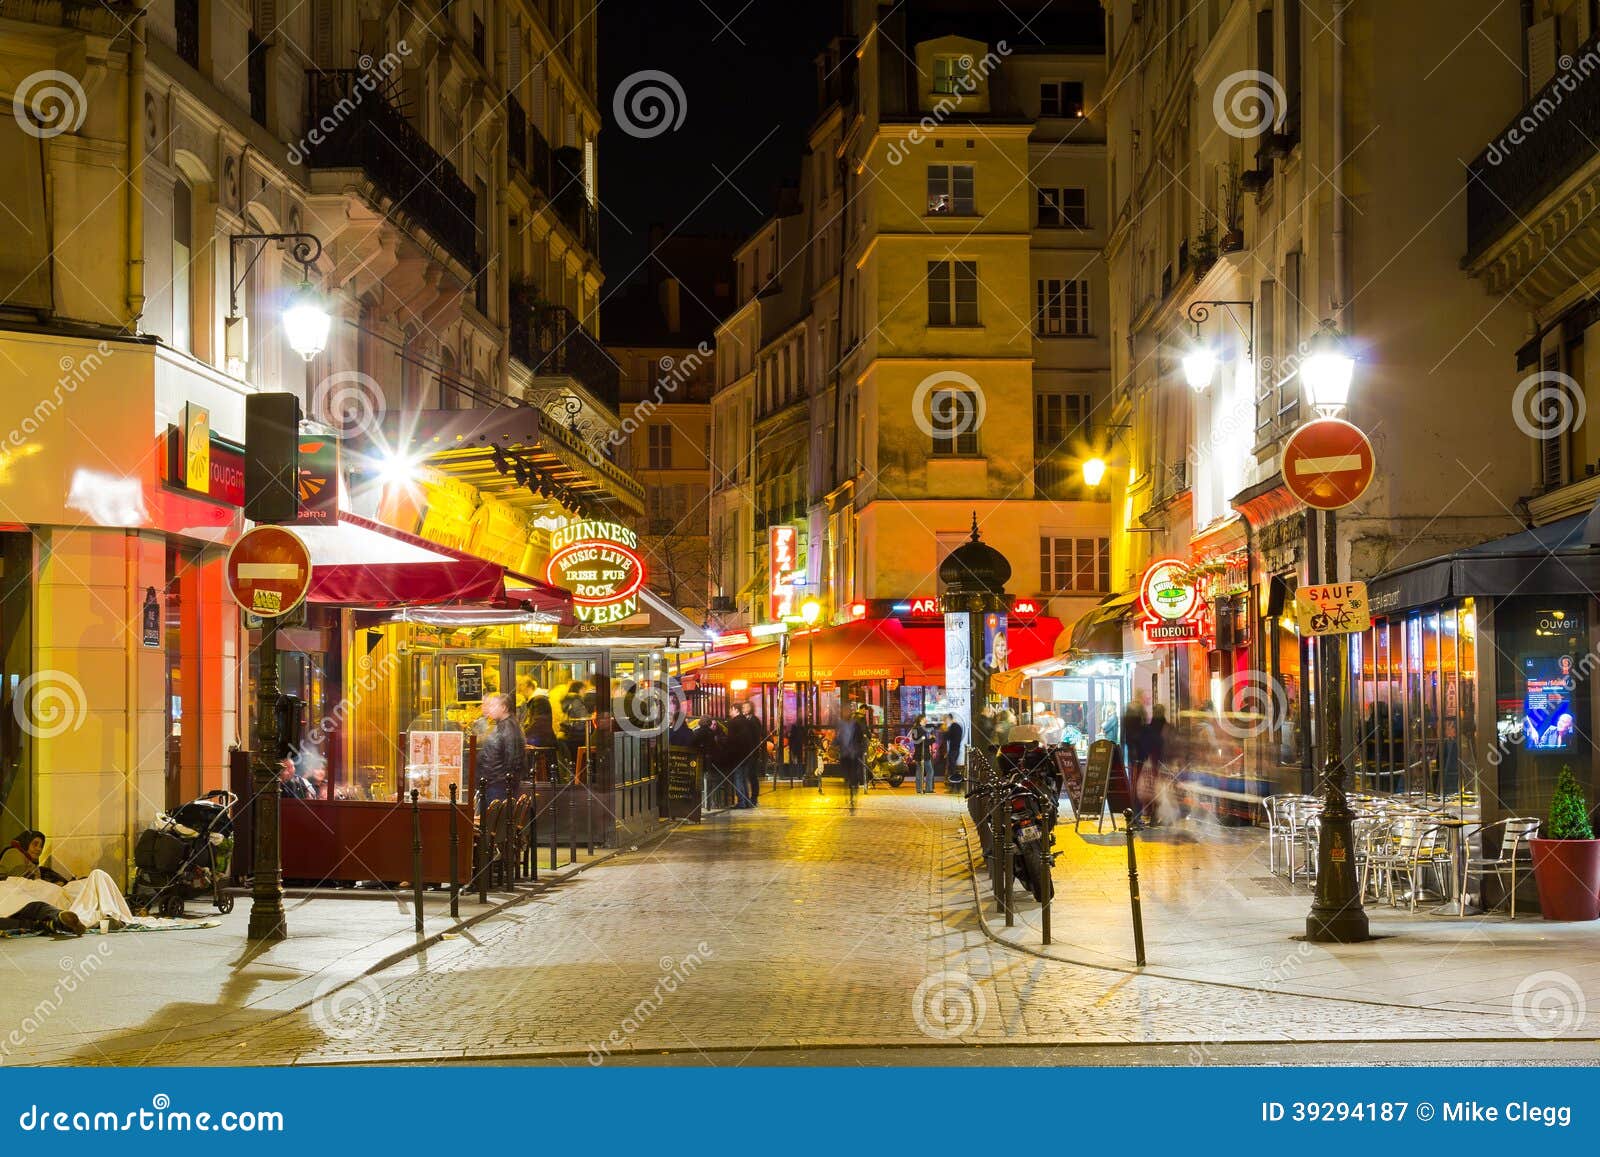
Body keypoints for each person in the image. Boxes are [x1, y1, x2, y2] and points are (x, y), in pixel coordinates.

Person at [0, 831, 132, 931]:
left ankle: (106, 914)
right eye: (35, 844)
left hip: (55, 893)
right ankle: (99, 916)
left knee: (97, 876)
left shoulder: (32, 863)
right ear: (25, 843)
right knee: (90, 883)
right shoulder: (14, 853)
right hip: (47, 895)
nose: (39, 849)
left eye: (41, 846)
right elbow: (19, 878)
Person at [478, 692, 527, 803]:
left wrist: (504, 781)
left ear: (504, 707)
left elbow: (513, 760)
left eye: (493, 705)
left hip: (499, 786)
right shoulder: (504, 725)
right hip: (495, 784)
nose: (490, 708)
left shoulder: (508, 728)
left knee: (494, 819)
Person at [912, 715, 938, 794]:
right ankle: (928, 789)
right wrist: (933, 739)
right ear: (920, 721)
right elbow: (925, 743)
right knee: (930, 771)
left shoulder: (914, 729)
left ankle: (919, 789)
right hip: (924, 754)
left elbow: (917, 742)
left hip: (918, 753)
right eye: (924, 720)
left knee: (919, 771)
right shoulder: (921, 729)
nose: (926, 721)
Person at [941, 714, 965, 785]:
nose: (945, 721)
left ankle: (954, 784)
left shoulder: (953, 726)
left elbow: (946, 737)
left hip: (953, 749)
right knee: (952, 767)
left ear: (949, 719)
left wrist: (945, 729)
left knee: (952, 767)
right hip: (956, 748)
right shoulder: (957, 726)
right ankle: (953, 784)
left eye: (945, 720)